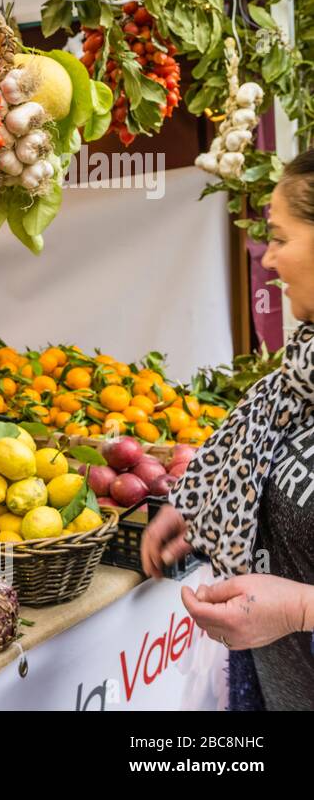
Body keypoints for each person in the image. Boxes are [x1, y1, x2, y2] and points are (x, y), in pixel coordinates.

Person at [142, 148, 314, 710]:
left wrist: (298, 610)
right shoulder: (299, 379)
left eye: (281, 239)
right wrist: (203, 502)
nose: (267, 260)